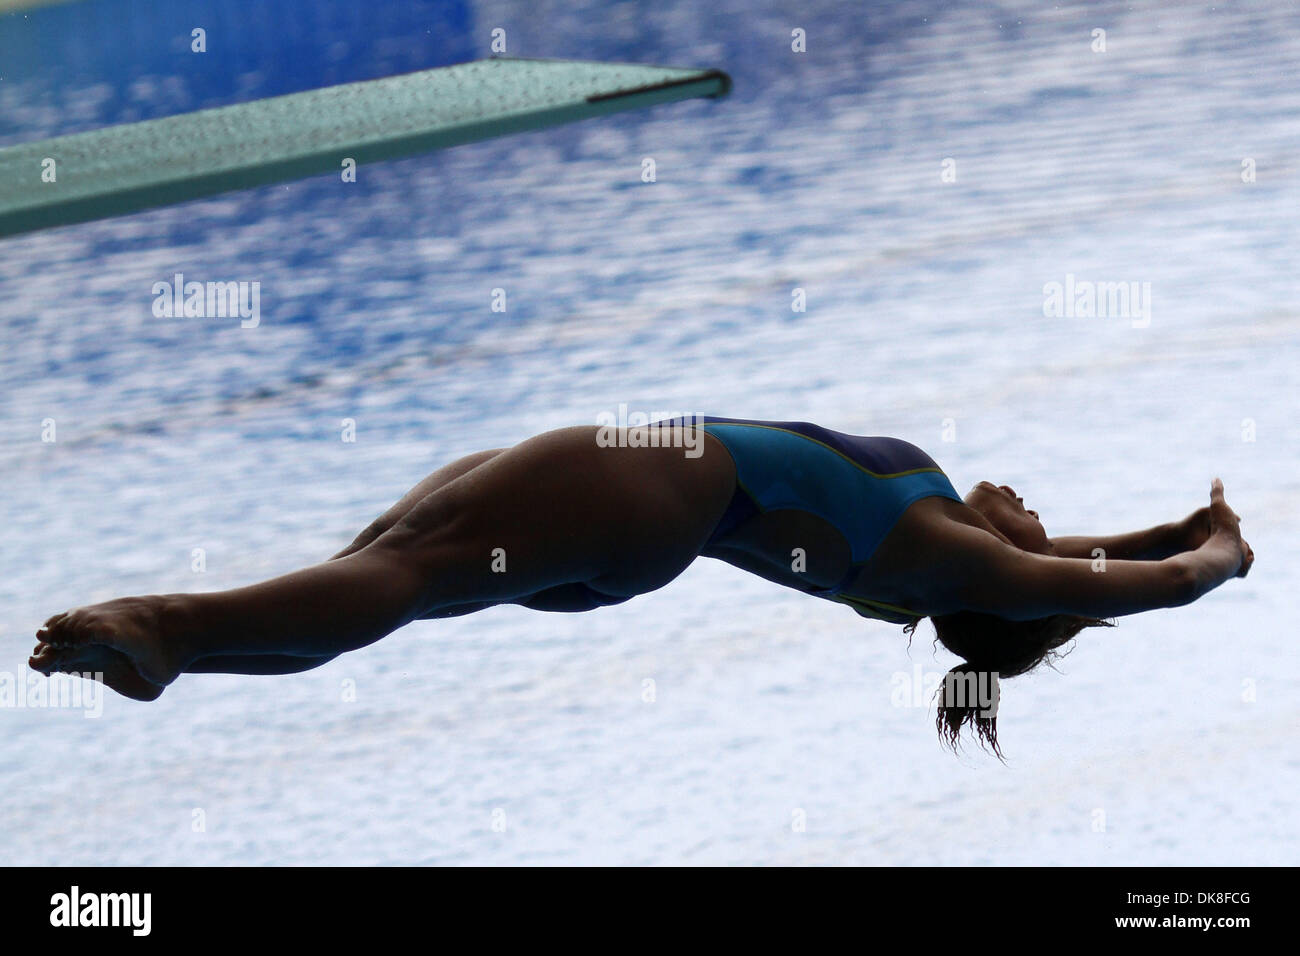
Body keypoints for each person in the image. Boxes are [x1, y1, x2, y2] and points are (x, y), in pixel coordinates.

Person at [30, 416, 1252, 753]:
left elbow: (1095, 582)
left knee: (393, 576)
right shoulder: (933, 564)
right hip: (643, 526)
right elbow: (1081, 563)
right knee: (377, 584)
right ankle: (178, 655)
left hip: (657, 489)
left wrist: (1212, 559)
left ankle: (160, 622)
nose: (1037, 510)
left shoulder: (964, 559)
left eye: (1038, 535)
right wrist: (1165, 524)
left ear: (1015, 580)